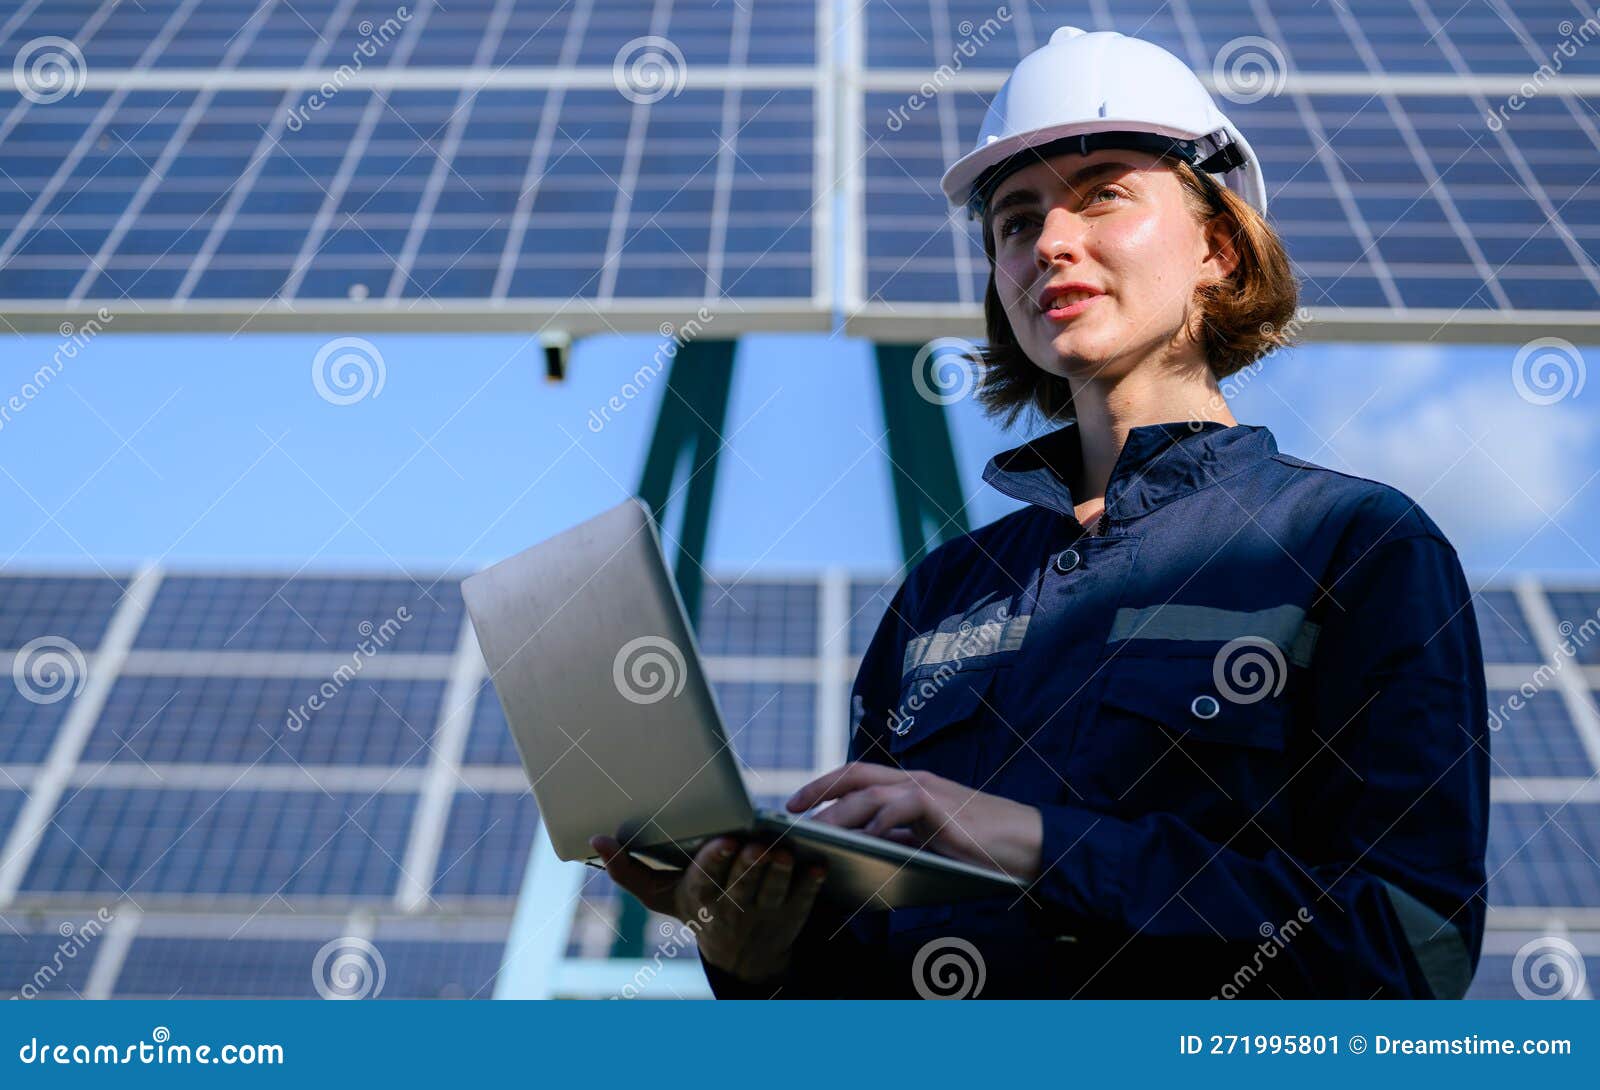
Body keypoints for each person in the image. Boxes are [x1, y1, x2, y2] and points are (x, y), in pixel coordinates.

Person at [593, 26, 1488, 999]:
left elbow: (1410, 949)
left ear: (1217, 247)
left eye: (1103, 191)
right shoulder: (942, 595)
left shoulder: (1355, 549)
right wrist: (752, 950)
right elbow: (859, 992)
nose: (1050, 241)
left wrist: (1034, 844)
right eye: (1015, 221)